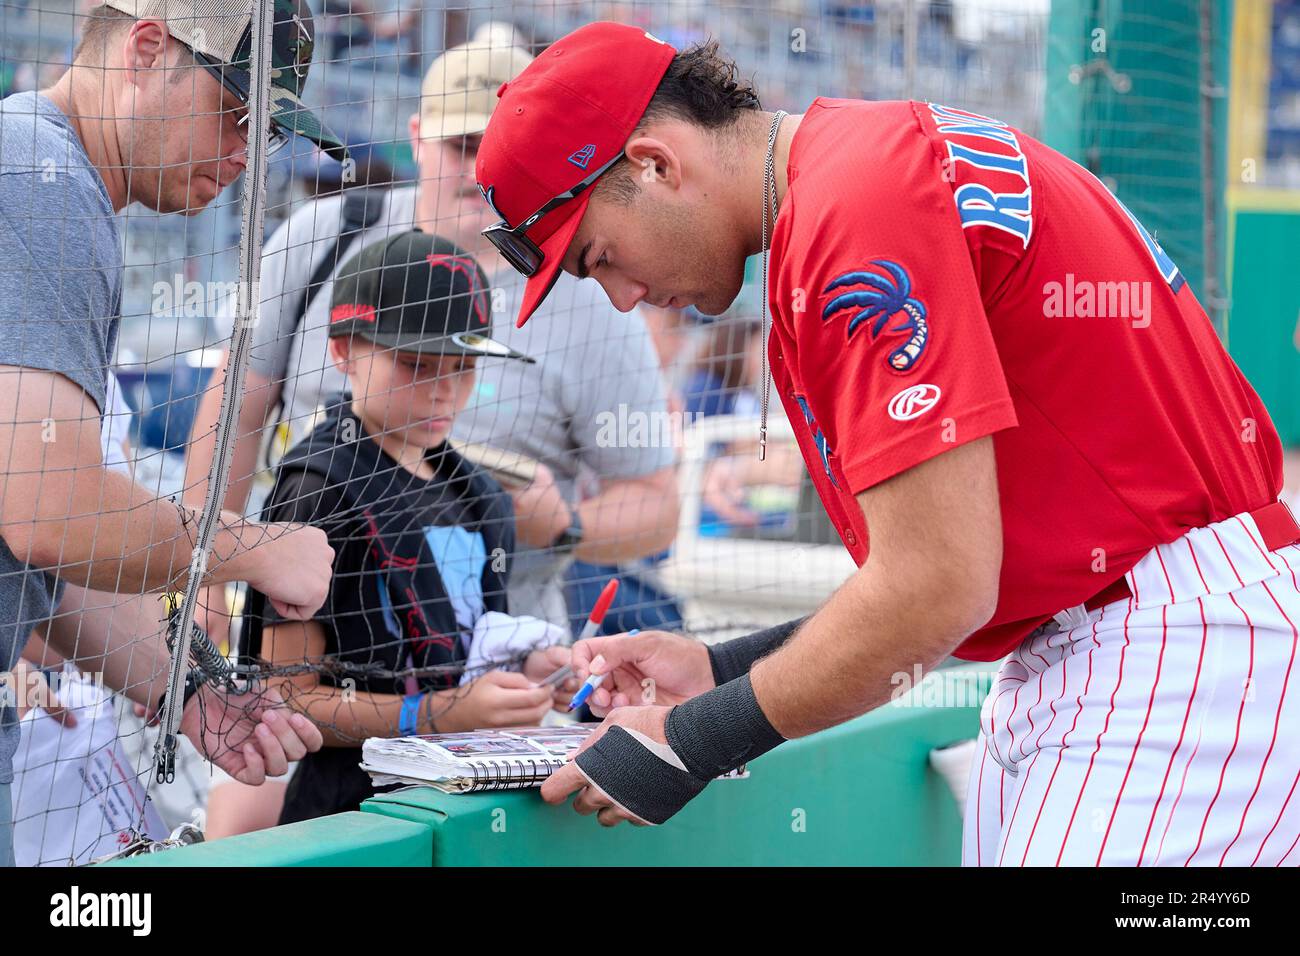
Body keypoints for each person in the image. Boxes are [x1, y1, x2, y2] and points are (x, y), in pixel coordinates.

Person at [475, 23, 1300, 866]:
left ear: (655, 163)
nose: (622, 298)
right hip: (1136, 640)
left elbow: (937, 586)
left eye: (601, 256)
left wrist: (692, 739)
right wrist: (721, 669)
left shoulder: (851, 207)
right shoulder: (856, 167)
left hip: (1173, 660)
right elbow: (947, 570)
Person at [185, 36, 677, 651]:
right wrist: (201, 577)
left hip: (493, 662)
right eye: (462, 146)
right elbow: (237, 405)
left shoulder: (594, 296)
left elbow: (658, 506)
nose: (480, 170)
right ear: (417, 138)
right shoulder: (323, 235)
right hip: (304, 637)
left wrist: (565, 525)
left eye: (503, 148)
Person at [0, 0, 348, 865]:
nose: (245, 153)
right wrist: (252, 546)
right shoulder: (39, 177)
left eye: (265, 130)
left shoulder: (45, 172)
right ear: (147, 50)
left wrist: (187, 685)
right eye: (234, 111)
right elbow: (51, 511)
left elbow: (52, 551)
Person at [239, 230, 577, 824]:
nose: (445, 388)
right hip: (351, 820)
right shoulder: (317, 491)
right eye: (417, 363)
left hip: (466, 806)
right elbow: (284, 696)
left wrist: (521, 677)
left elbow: (460, 660)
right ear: (343, 351)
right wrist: (436, 715)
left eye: (464, 366)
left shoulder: (479, 495)